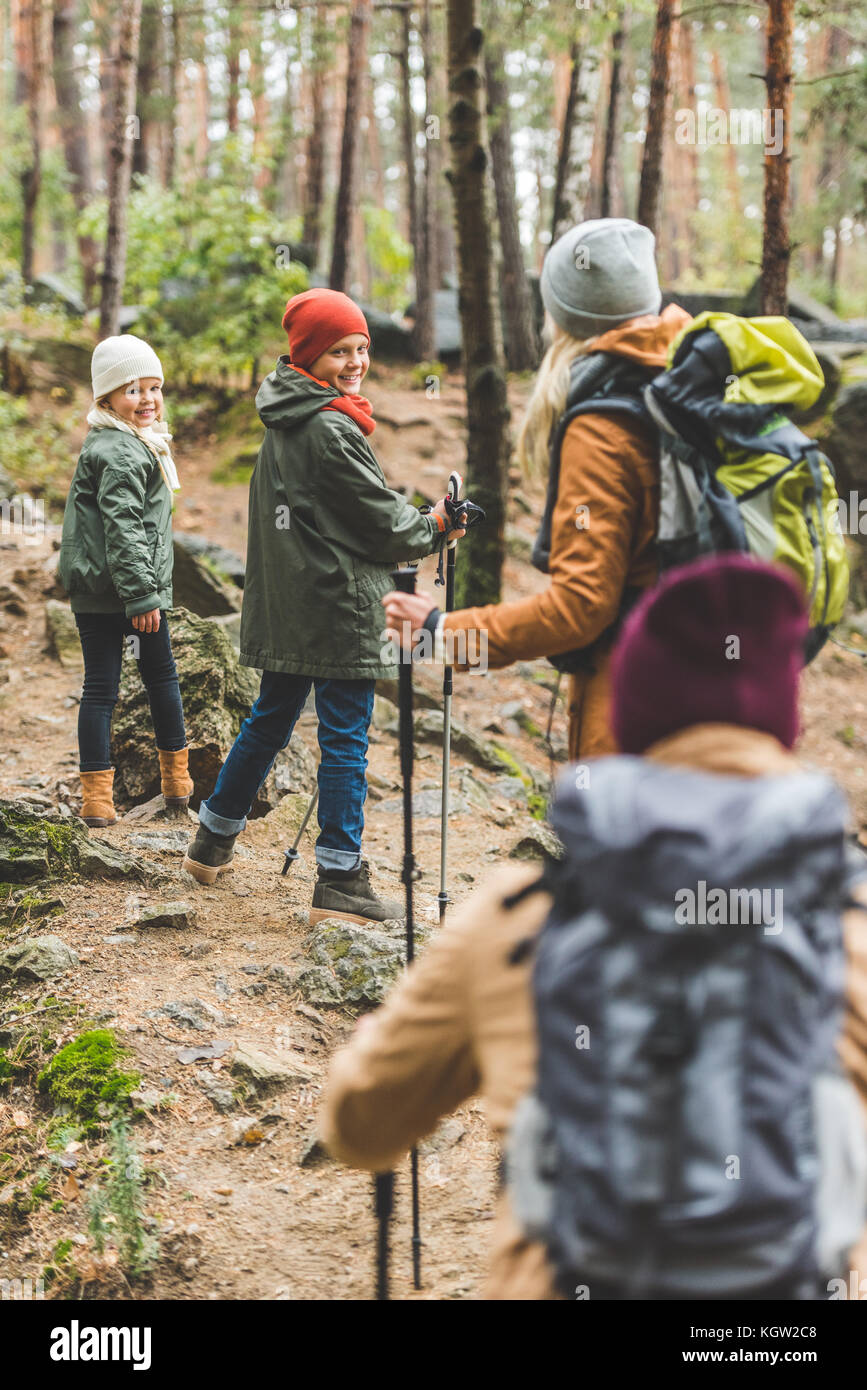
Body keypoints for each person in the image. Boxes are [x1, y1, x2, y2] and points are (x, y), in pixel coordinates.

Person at [321, 555, 867, 1299]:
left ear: (630, 718)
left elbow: (361, 1127)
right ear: (785, 728)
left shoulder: (519, 914)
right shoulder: (848, 928)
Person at [183, 289, 466, 923]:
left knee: (270, 720)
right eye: (339, 351)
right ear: (310, 355)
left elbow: (336, 513)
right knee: (345, 738)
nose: (355, 361)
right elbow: (379, 522)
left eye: (362, 348)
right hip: (337, 606)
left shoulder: (286, 417)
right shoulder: (331, 427)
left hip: (292, 605)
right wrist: (435, 526)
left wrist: (422, 522)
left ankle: (211, 840)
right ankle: (340, 877)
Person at [383, 217, 692, 761]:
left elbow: (580, 609)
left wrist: (438, 631)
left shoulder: (605, 426)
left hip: (636, 712)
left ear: (565, 315)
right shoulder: (687, 381)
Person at [58, 334, 193, 827]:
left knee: (102, 688)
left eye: (154, 388)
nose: (148, 399)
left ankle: (103, 799)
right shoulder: (121, 452)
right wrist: (141, 594)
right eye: (133, 390)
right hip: (125, 594)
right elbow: (124, 528)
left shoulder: (124, 442)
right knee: (157, 679)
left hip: (96, 592)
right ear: (107, 398)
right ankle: (174, 785)